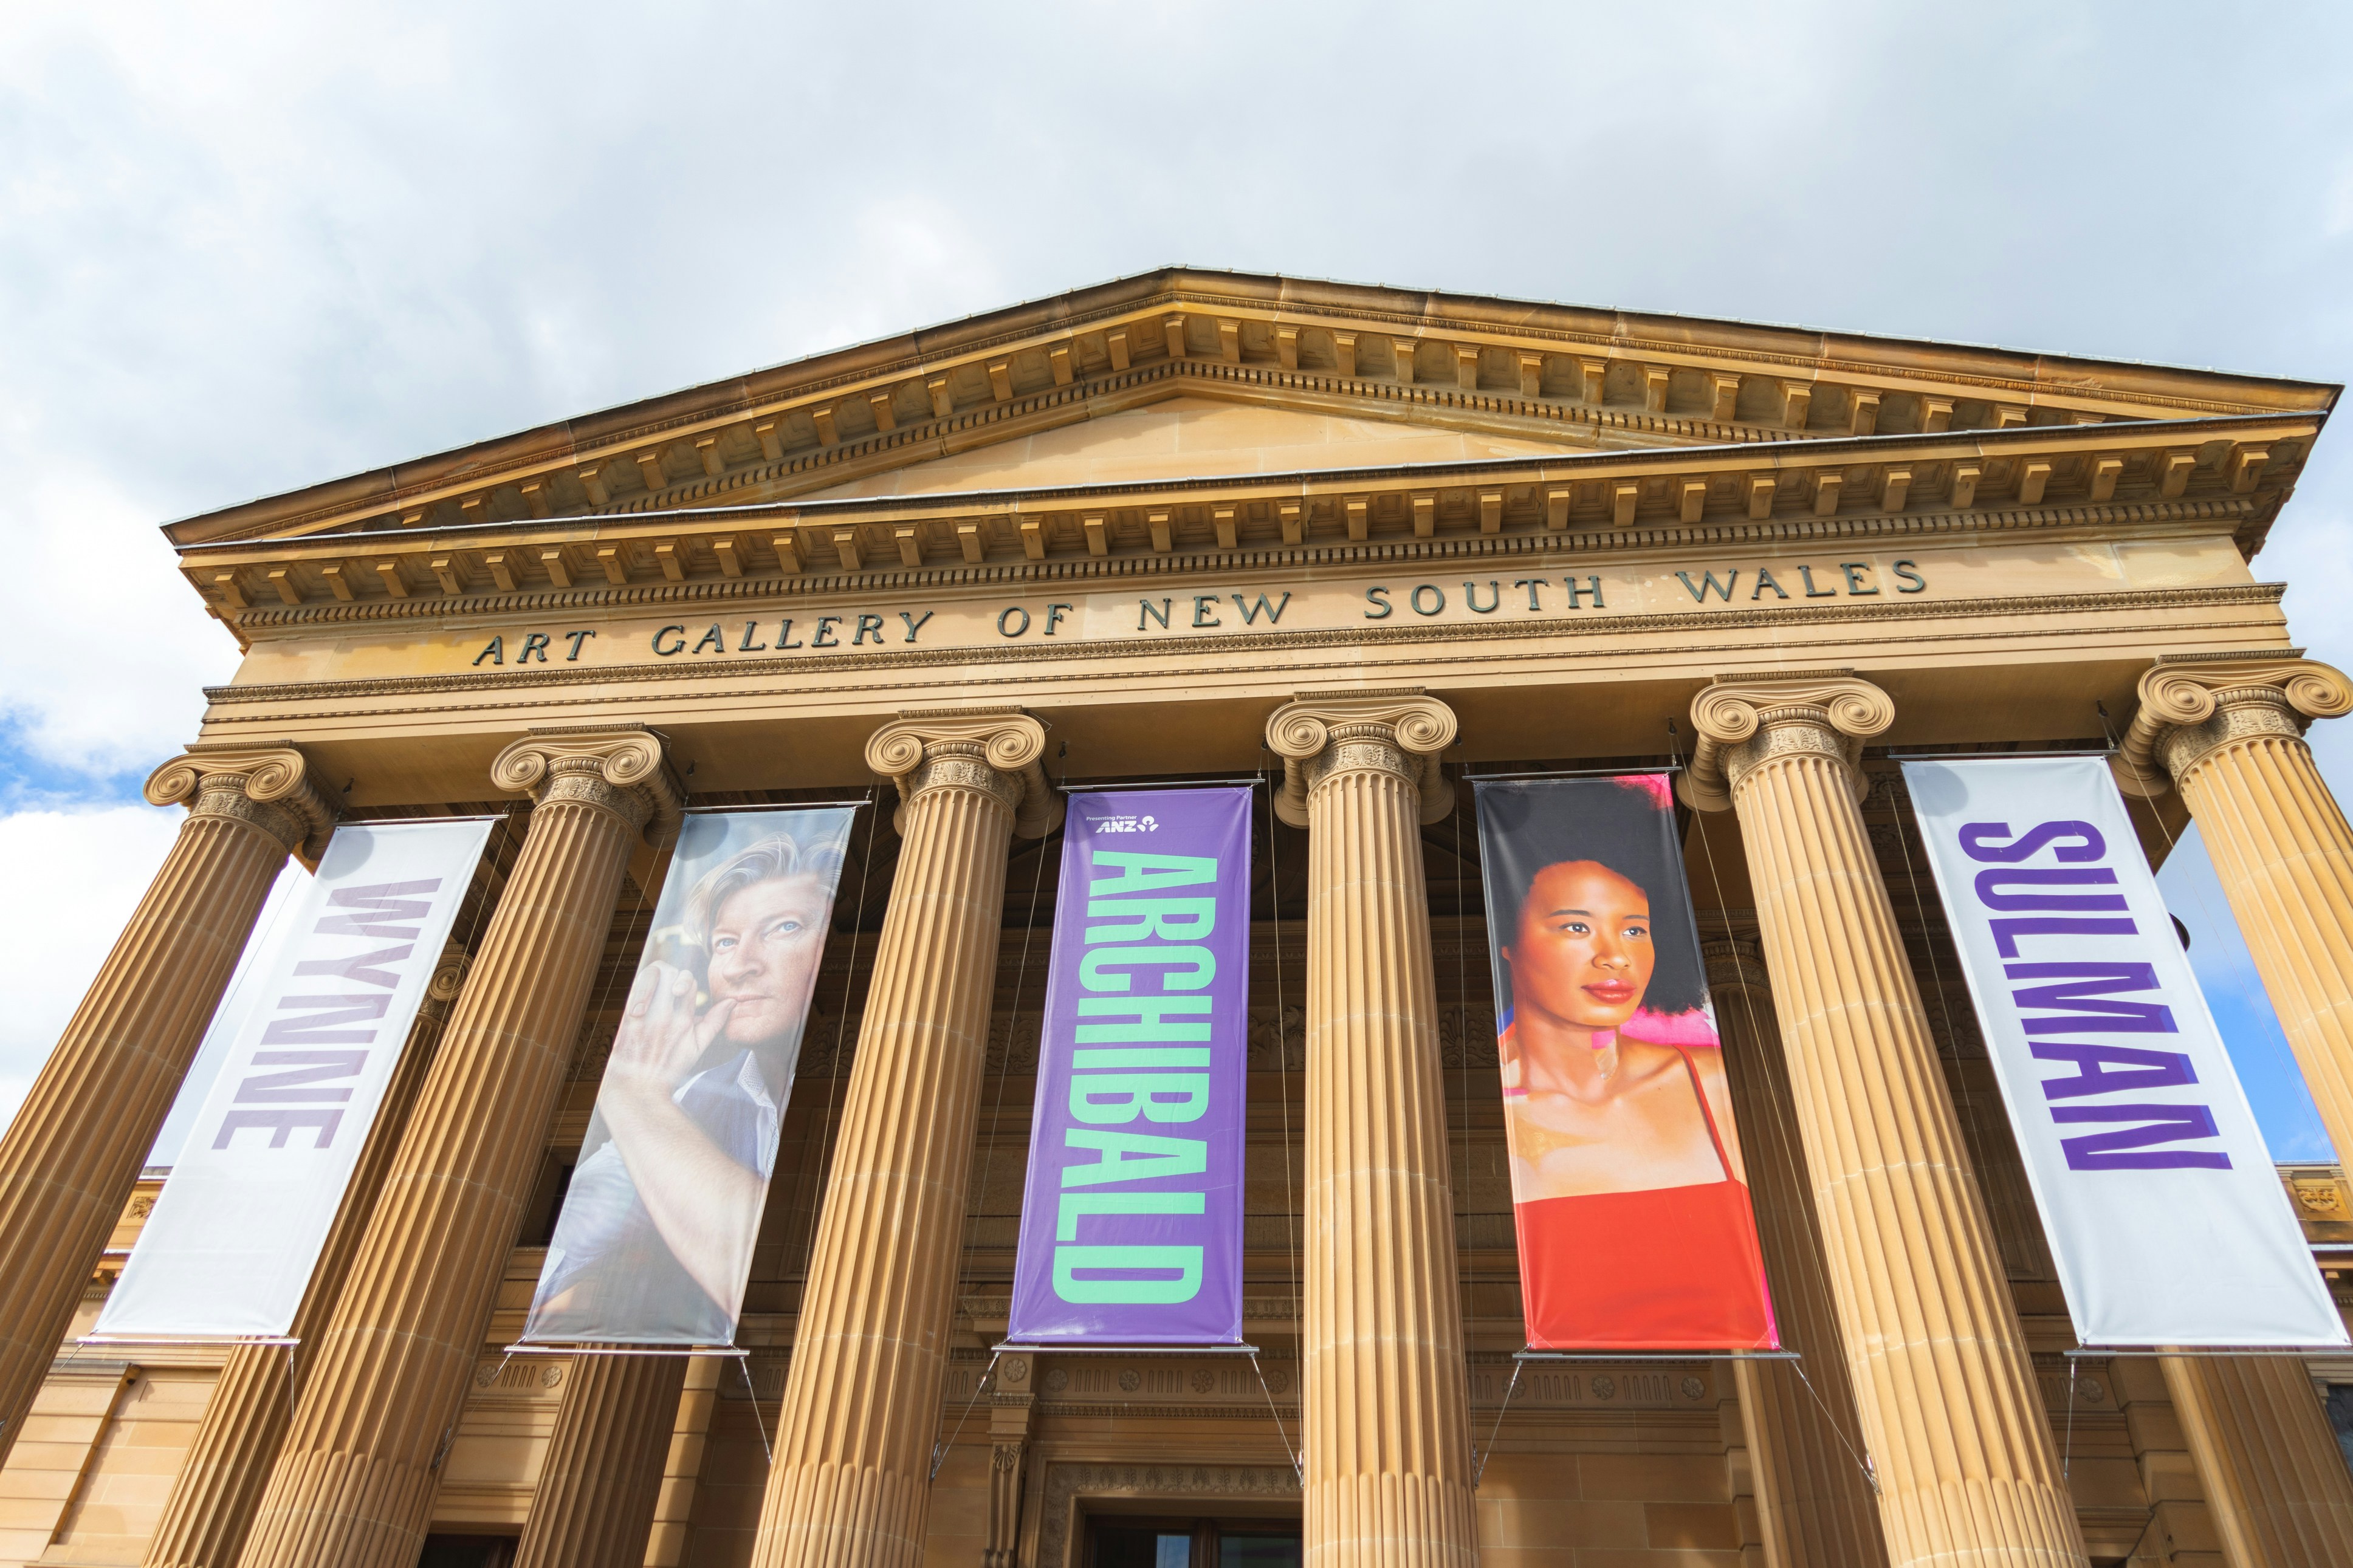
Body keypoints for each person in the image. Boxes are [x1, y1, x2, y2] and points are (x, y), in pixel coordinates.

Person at [1482, 776, 1774, 1349]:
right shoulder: (1498, 1113)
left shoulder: (1708, 1081)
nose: (1615, 956)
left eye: (1635, 929)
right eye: (1576, 926)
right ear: (1507, 942)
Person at [527, 823, 843, 1342]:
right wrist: (640, 1100)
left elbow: (778, 1260)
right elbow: (562, 1259)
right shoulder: (692, 1098)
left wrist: (635, 1099)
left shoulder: (652, 1108)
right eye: (725, 942)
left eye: (783, 927)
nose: (740, 966)